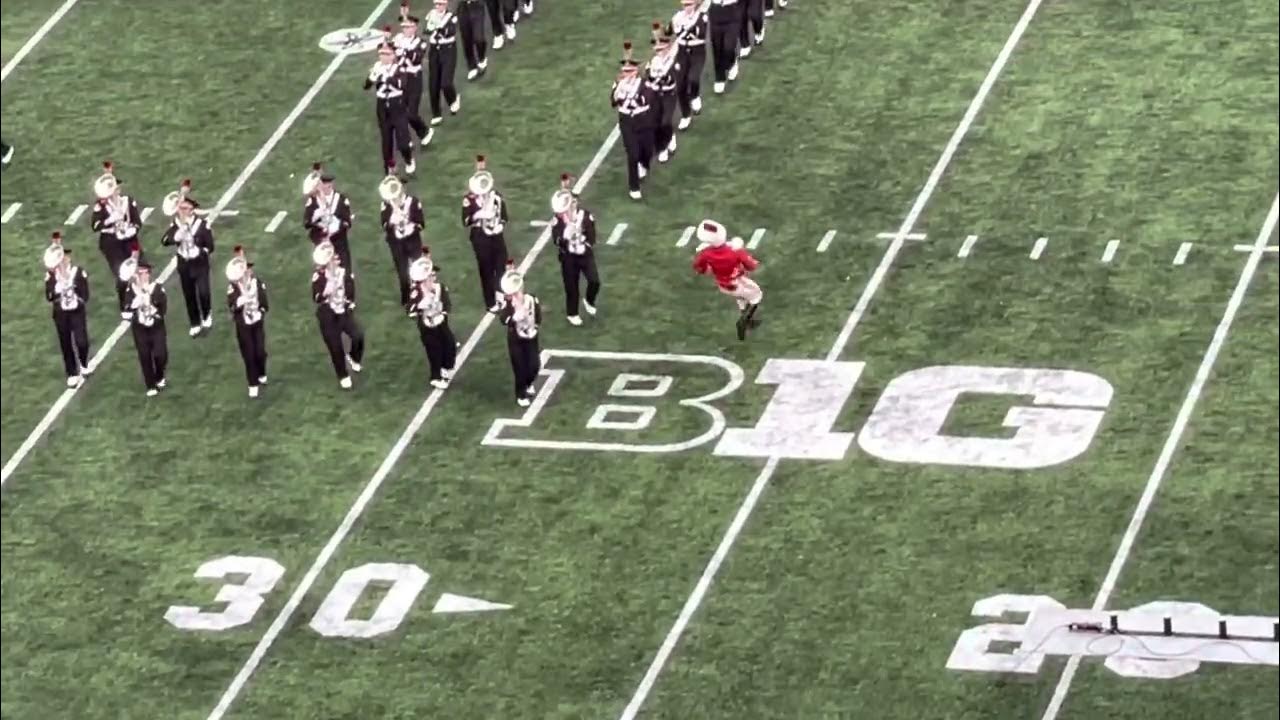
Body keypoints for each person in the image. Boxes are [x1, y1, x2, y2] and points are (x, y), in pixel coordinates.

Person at [692, 219, 763, 340]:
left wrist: (706, 270)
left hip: (723, 284)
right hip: (737, 281)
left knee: (741, 299)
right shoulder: (735, 251)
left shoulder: (705, 253)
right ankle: (743, 321)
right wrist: (750, 259)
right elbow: (750, 266)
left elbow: (698, 267)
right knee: (756, 297)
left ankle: (748, 321)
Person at [42, 232, 92, 388]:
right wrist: (58, 286)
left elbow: (85, 294)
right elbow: (49, 296)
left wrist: (75, 295)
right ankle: (72, 373)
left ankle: (84, 363)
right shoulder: (51, 276)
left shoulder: (78, 272)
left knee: (82, 341)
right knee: (65, 343)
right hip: (61, 314)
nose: (63, 260)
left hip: (76, 311)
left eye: (65, 257)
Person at [550, 174, 601, 325]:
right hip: (568, 257)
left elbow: (592, 235)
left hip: (584, 254)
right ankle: (572, 313)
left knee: (595, 281)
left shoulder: (585, 216)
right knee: (571, 287)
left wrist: (584, 243)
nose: (572, 204)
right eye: (570, 202)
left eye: (574, 201)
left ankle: (589, 300)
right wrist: (565, 238)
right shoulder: (559, 220)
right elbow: (556, 239)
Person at [225, 246, 270, 398]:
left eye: (248, 269)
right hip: (243, 325)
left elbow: (264, 302)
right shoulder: (233, 287)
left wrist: (261, 311)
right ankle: (253, 383)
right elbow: (231, 306)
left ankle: (261, 373)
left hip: (256, 321)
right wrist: (240, 301)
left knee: (260, 352)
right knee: (249, 354)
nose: (247, 272)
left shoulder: (257, 283)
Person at [497, 260, 542, 406]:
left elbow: (538, 314)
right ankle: (521, 395)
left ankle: (528, 383)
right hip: (516, 339)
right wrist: (514, 318)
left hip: (531, 337)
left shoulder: (531, 299)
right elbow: (503, 319)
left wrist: (535, 326)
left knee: (534, 365)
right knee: (520, 368)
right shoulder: (508, 305)